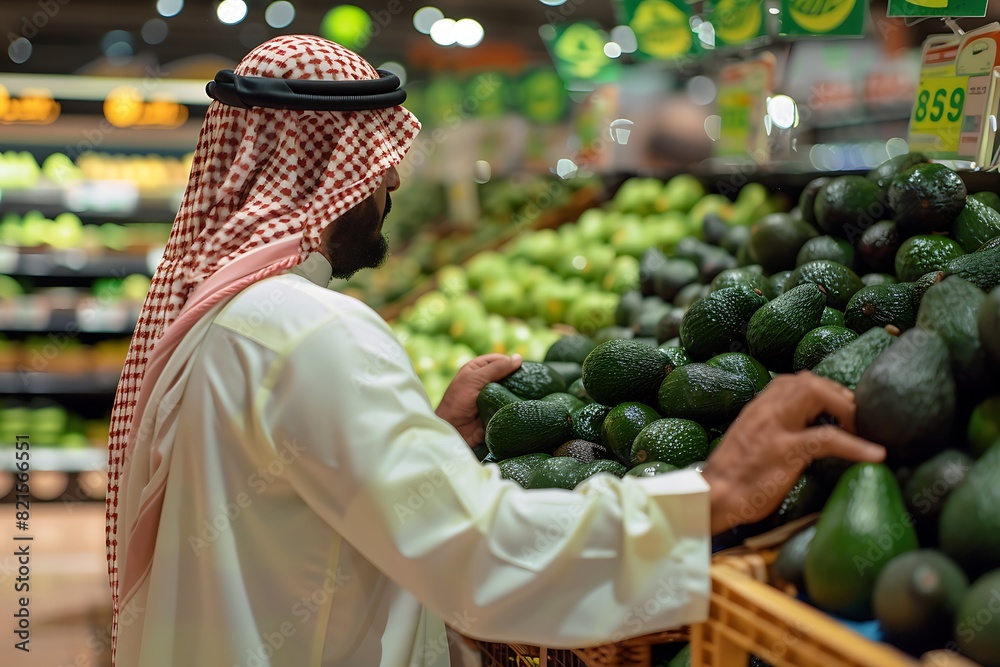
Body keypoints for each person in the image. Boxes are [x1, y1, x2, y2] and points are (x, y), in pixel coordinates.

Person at [105, 35, 885, 667]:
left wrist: (429, 441)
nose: (390, 192)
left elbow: (298, 500)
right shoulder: (315, 333)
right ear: (328, 176)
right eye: (378, 170)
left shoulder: (222, 317)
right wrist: (710, 493)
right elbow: (480, 556)